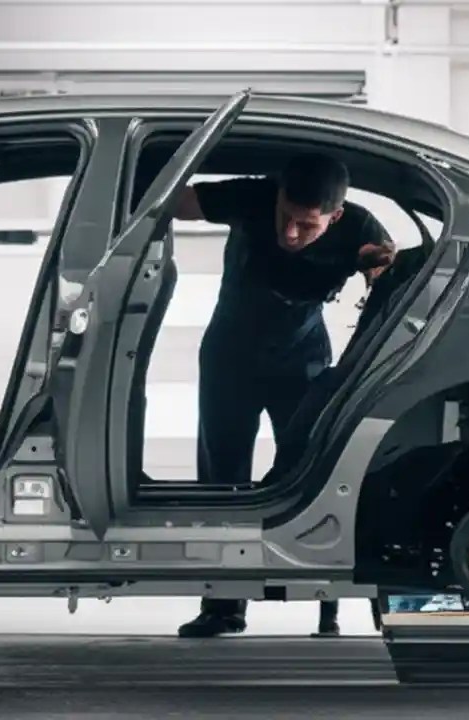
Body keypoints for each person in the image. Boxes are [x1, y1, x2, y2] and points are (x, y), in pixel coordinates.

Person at [171, 152, 396, 639]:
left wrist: (377, 270)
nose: (291, 233)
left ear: (334, 217)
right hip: (229, 352)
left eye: (306, 226)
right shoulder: (251, 194)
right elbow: (168, 202)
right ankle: (223, 606)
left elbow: (383, 265)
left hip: (302, 358)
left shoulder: (359, 226)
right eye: (285, 218)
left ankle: (328, 606)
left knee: (315, 468)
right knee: (222, 476)